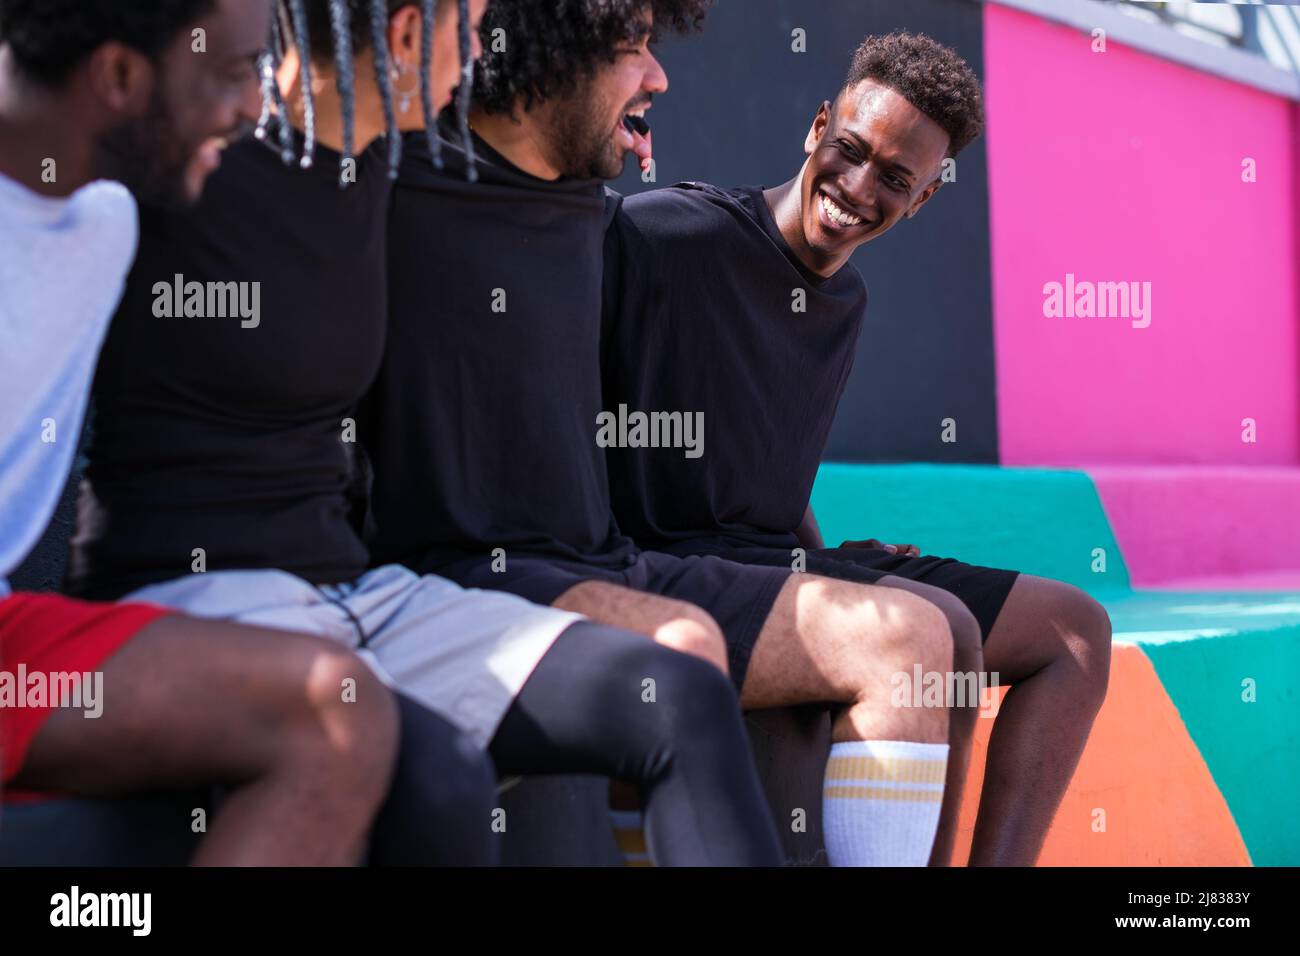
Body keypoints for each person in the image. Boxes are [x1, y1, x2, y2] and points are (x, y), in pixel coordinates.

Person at [67, 0, 783, 866]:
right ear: (406, 35)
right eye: (470, 28)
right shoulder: (185, 160)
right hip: (193, 597)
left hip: (354, 598)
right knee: (437, 780)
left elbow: (537, 154)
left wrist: (611, 125)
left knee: (677, 691)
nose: (486, 53)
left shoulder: (386, 171)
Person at [366, 0, 959, 866]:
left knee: (914, 639)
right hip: (478, 573)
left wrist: (822, 551)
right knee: (682, 651)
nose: (659, 76)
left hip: (609, 559)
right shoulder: (407, 188)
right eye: (630, 50)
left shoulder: (593, 208)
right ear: (550, 54)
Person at [602, 32, 1113, 865]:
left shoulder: (847, 299)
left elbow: (762, 453)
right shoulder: (669, 235)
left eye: (895, 179)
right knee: (938, 630)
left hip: (783, 561)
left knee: (1077, 633)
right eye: (850, 150)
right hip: (680, 565)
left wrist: (835, 555)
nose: (858, 186)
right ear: (816, 128)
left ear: (923, 201)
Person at [0, 0, 401, 866]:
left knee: (338, 709)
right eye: (232, 73)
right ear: (119, 76)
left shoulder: (105, 224)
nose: (256, 106)